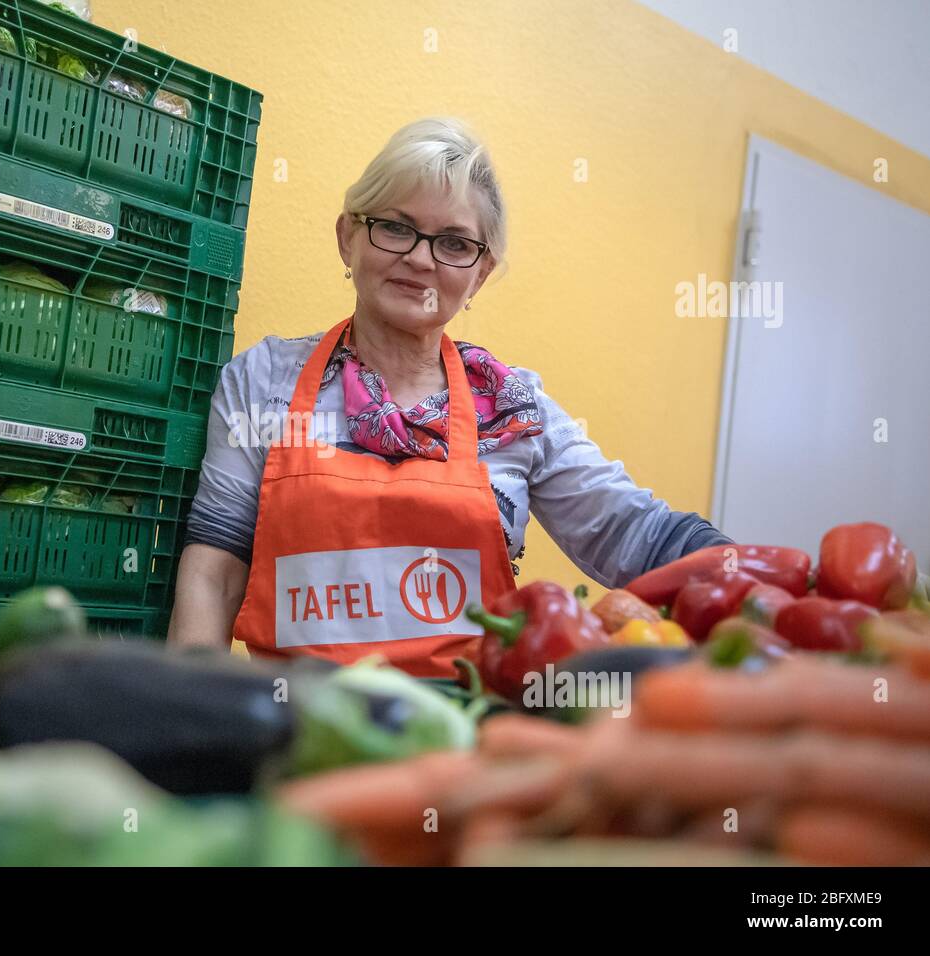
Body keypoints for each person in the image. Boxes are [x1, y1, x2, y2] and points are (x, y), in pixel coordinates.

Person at [167, 116, 731, 676]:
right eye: (394, 226)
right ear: (347, 236)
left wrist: (754, 582)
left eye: (454, 243)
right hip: (298, 737)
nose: (420, 258)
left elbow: (632, 532)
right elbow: (214, 573)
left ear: (480, 274)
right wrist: (194, 726)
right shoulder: (266, 382)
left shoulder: (513, 406)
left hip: (466, 741)